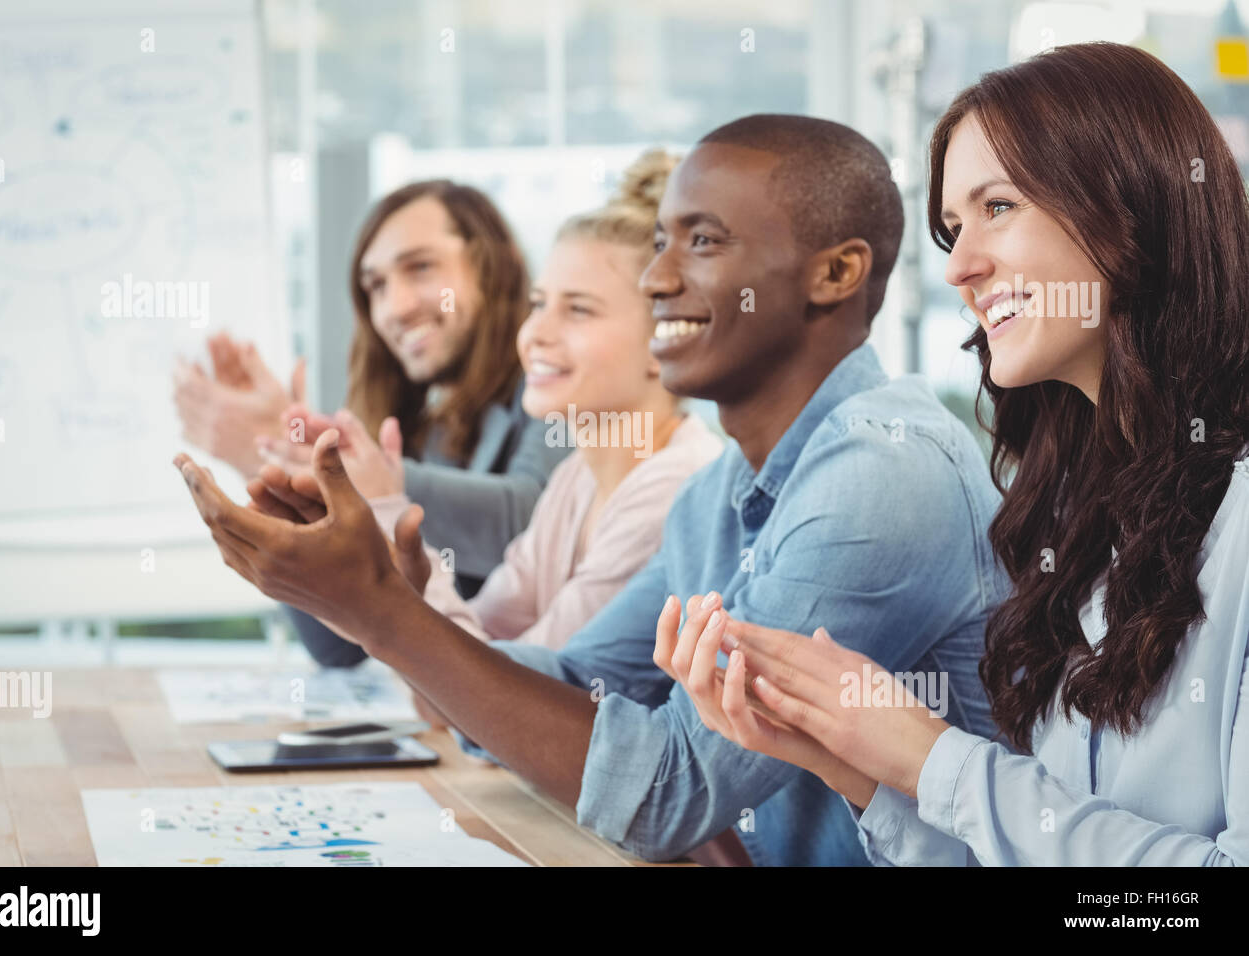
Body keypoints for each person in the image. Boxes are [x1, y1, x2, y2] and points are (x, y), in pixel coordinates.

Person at [174, 114, 1004, 866]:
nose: (655, 279)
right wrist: (385, 605)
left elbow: (670, 789)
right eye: (658, 244)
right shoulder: (717, 494)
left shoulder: (880, 473)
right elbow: (574, 685)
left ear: (835, 272)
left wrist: (382, 613)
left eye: (703, 243)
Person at [662, 43, 1249, 866]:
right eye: (951, 227)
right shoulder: (1078, 514)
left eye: (998, 206)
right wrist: (838, 751)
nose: (960, 268)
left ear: (1132, 200)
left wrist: (929, 756)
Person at [268, 150, 721, 671]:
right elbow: (461, 687)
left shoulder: (670, 493)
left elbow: (509, 698)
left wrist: (391, 506)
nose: (535, 335)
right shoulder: (577, 482)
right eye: (538, 304)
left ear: (662, 339)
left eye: (577, 309)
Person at [174, 180, 571, 664]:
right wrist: (273, 464)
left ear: (494, 267)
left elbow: (532, 519)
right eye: (376, 286)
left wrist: (378, 486)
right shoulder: (424, 424)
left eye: (420, 267)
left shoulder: (561, 382)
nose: (395, 307)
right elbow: (339, 648)